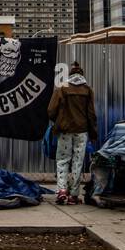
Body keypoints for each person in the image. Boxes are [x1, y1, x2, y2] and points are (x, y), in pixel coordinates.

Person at [47, 61, 97, 204]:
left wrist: (59, 121)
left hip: (64, 131)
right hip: (81, 131)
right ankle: (74, 194)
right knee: (77, 162)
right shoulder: (88, 90)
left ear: (70, 75)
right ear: (82, 75)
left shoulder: (62, 89)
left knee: (63, 160)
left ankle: (62, 190)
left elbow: (50, 111)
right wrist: (93, 134)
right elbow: (92, 114)